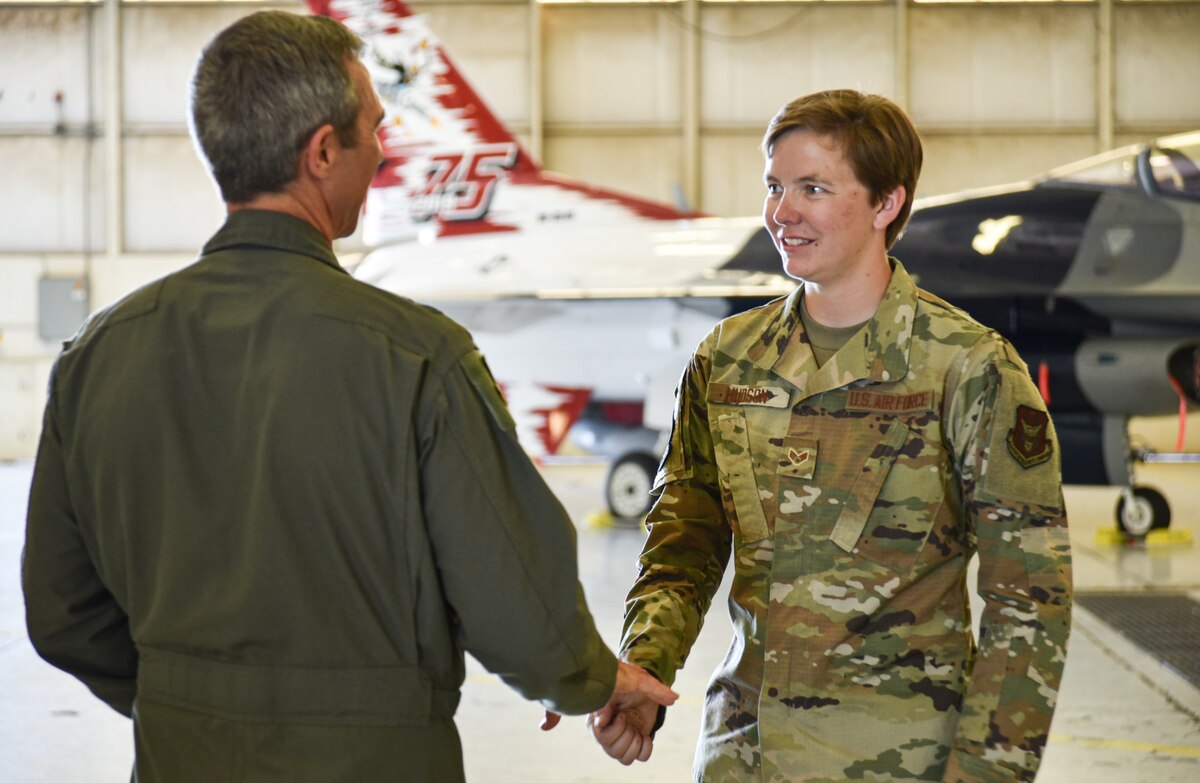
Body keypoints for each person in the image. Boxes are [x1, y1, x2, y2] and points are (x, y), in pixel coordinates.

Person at [21, 11, 673, 782]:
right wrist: (597, 679)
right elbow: (521, 605)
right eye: (374, 130)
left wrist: (191, 697)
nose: (383, 151)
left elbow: (62, 609)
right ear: (323, 152)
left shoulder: (98, 356)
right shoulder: (417, 356)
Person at [591, 89, 1073, 781]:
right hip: (742, 752)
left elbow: (1028, 597)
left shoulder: (967, 369)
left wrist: (989, 771)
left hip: (900, 761)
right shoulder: (727, 359)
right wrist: (644, 665)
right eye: (775, 186)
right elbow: (683, 540)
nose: (782, 213)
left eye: (812, 188)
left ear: (886, 204)